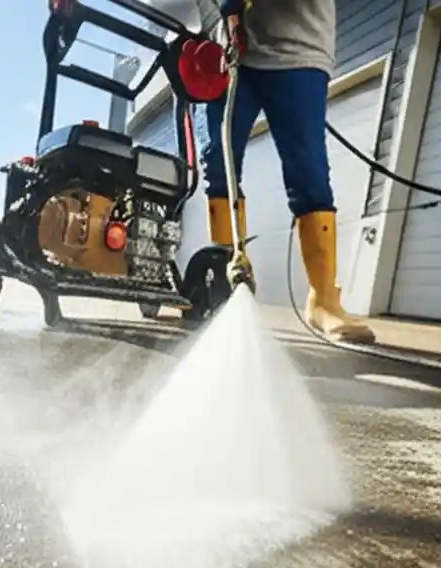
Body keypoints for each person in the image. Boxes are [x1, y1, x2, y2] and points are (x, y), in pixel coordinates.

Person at [157, 0, 376, 343]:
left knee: (309, 172)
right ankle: (231, 282)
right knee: (220, 164)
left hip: (299, 54)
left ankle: (324, 301)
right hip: (235, 57)